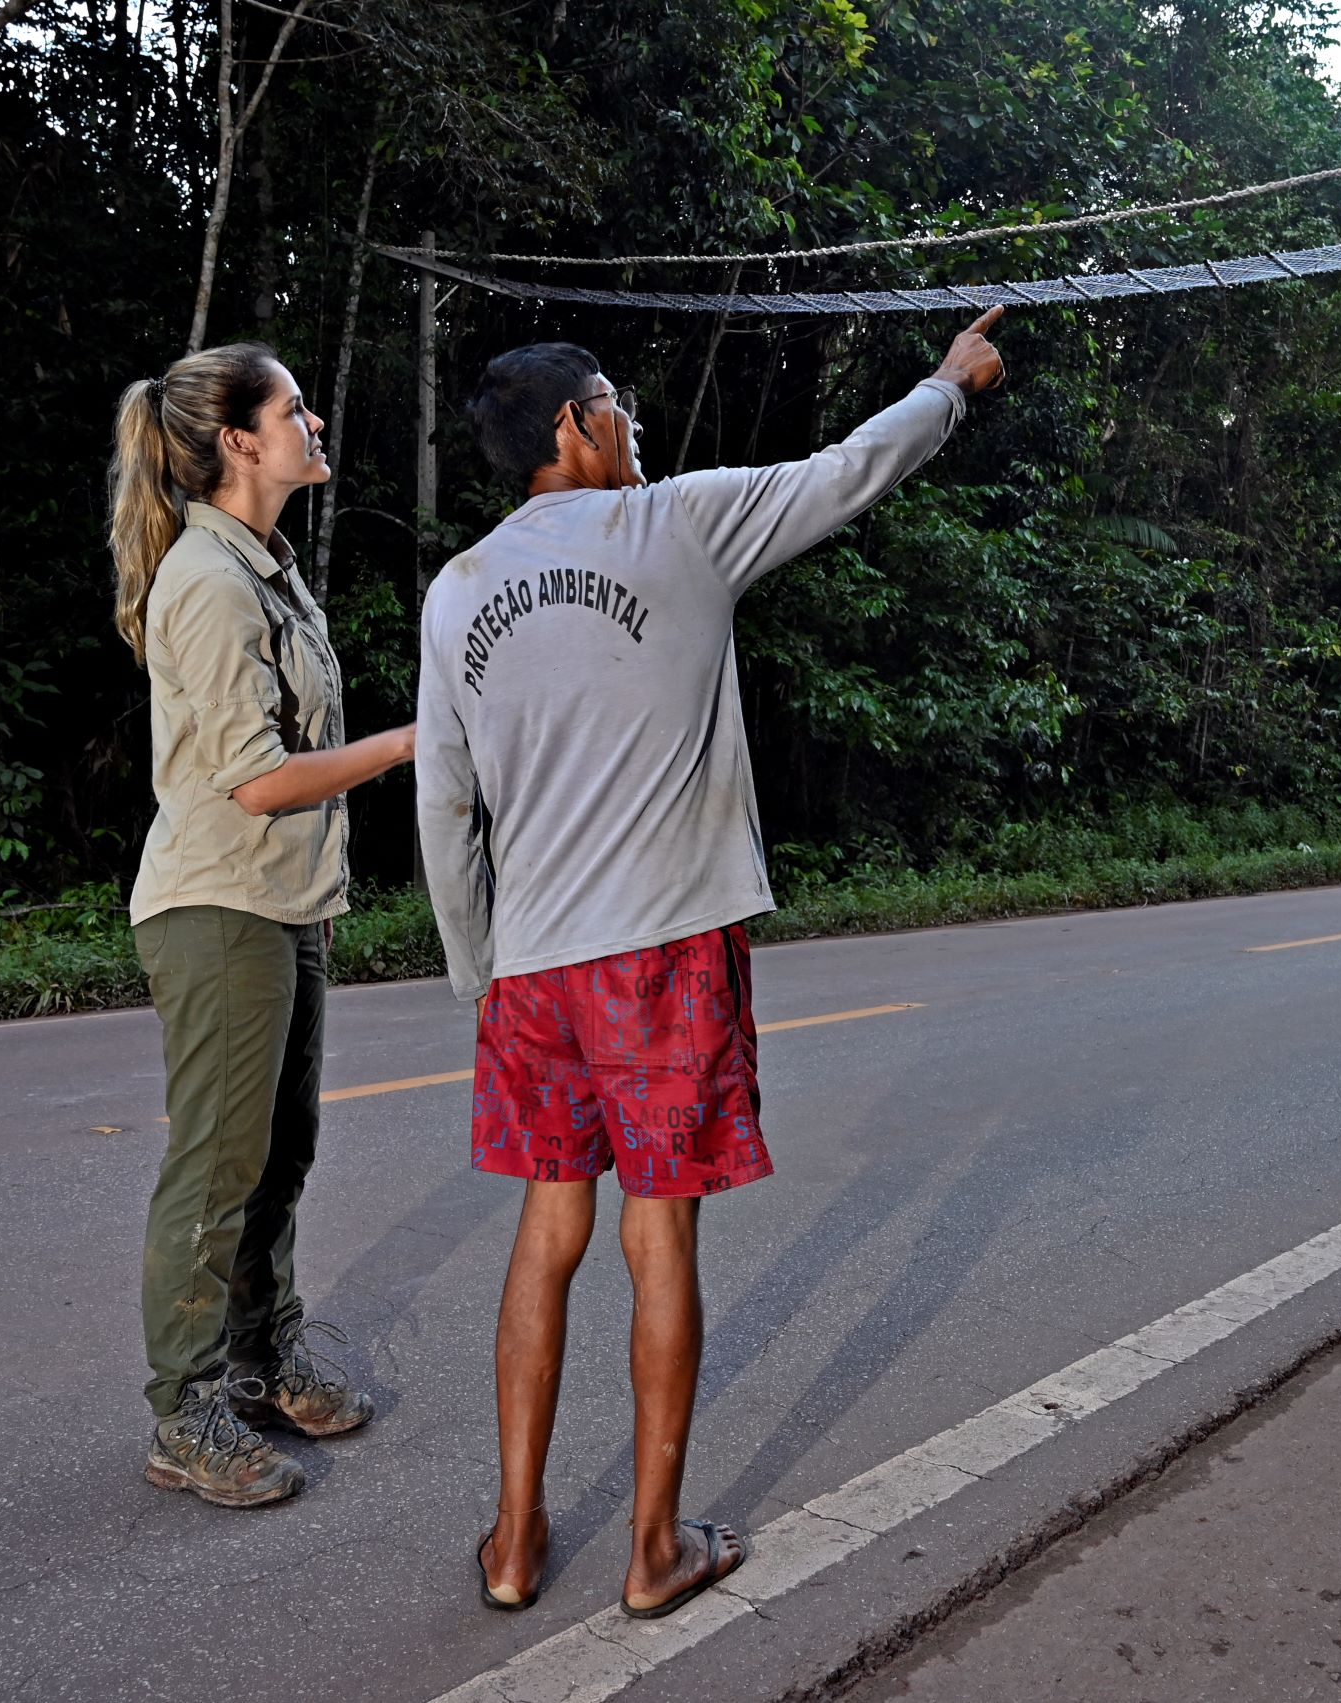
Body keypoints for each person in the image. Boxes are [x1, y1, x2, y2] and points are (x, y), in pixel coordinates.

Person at [416, 308, 1008, 1616]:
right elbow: (848, 469)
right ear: (574, 426)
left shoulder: (456, 590)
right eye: (616, 404)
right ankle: (651, 1549)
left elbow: (445, 805)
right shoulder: (677, 522)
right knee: (658, 1232)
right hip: (662, 950)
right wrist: (951, 385)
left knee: (547, 1228)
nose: (636, 425)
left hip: (535, 965)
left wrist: (481, 969)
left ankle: (513, 1542)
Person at [108, 341, 417, 1508]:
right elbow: (256, 779)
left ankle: (259, 1360)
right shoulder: (209, 579)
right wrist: (408, 742)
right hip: (219, 904)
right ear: (239, 440)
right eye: (293, 407)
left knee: (278, 1151)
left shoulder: (271, 570)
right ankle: (181, 1413)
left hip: (282, 899)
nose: (313, 419)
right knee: (217, 1162)